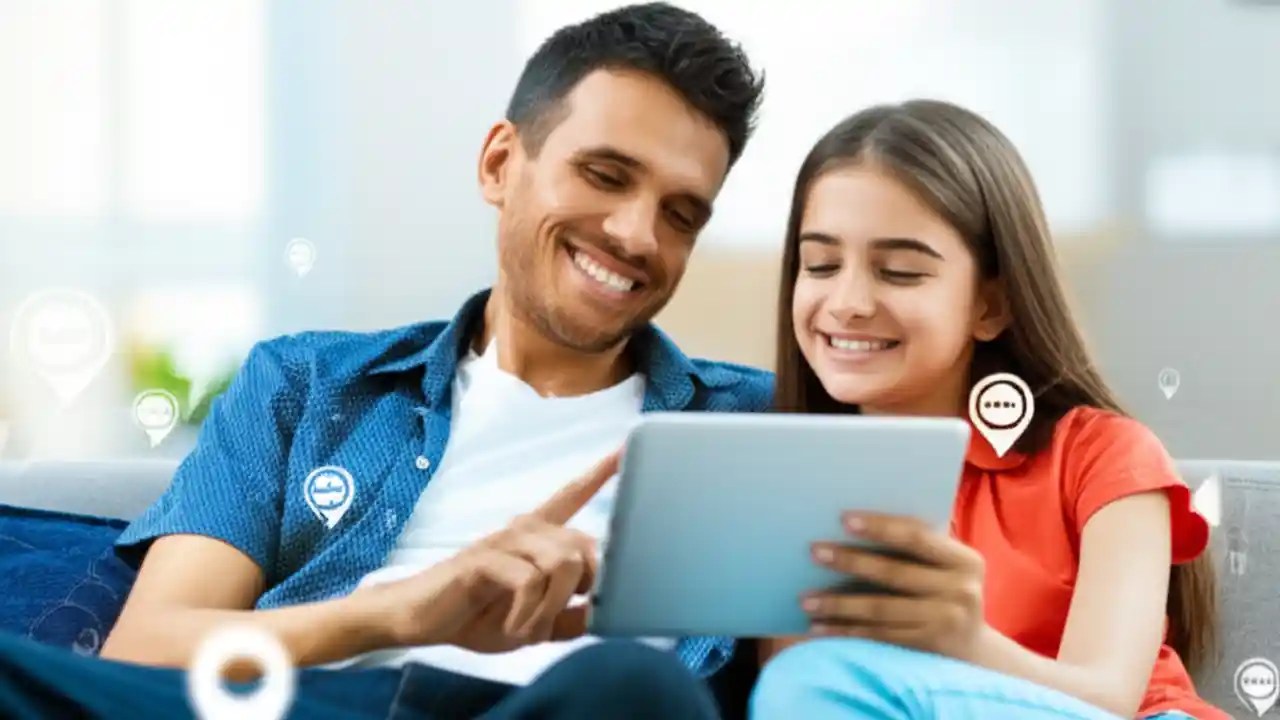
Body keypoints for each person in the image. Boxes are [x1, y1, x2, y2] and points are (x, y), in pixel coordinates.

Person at [0, 3, 767, 718]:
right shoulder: (304, 383)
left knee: (632, 681)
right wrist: (403, 611)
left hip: (578, 707)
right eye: (605, 176)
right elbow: (146, 650)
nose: (637, 234)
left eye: (681, 215)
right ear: (500, 163)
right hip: (314, 702)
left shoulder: (755, 428)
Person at [748, 100, 1227, 720]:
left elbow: (1109, 699)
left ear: (991, 305)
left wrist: (963, 640)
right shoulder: (791, 482)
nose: (848, 302)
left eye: (899, 272)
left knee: (814, 681)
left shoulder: (1104, 456)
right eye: (821, 265)